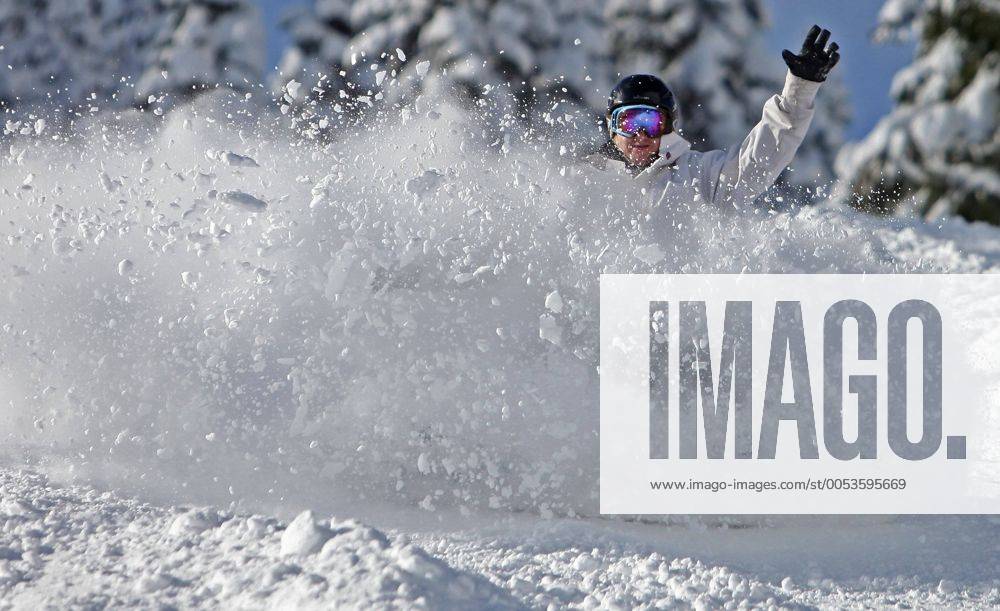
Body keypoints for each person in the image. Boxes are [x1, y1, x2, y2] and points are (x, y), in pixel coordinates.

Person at [586, 25, 840, 209]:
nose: (640, 134)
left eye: (651, 123)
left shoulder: (698, 176)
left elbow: (755, 164)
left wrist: (800, 89)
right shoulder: (585, 179)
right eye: (629, 122)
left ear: (667, 127)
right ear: (612, 127)